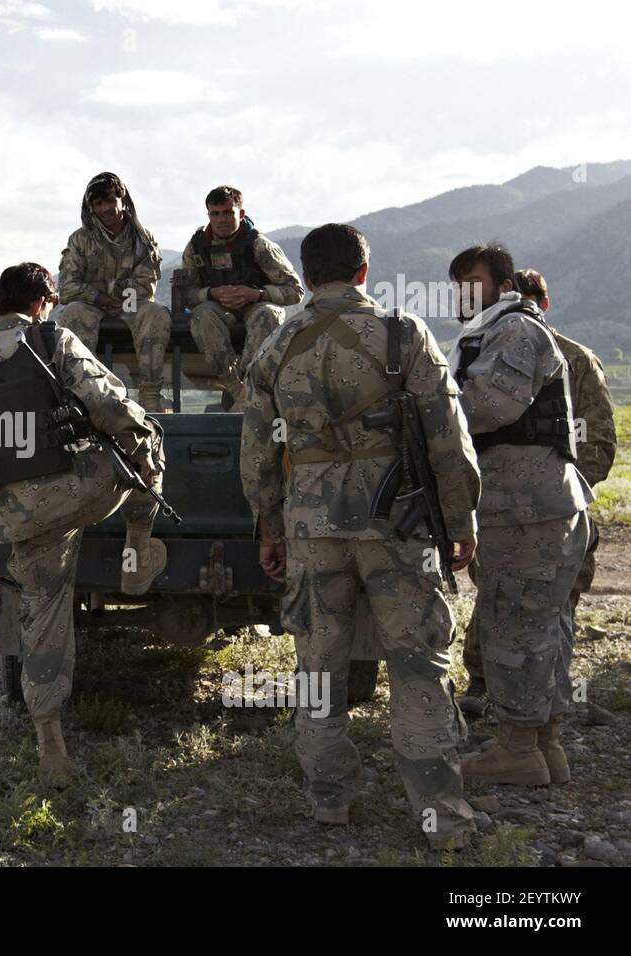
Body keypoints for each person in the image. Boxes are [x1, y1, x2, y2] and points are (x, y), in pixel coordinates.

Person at [241, 223, 479, 849]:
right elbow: (448, 441)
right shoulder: (404, 334)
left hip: (311, 526)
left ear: (309, 275)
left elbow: (257, 450)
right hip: (395, 519)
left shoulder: (276, 346)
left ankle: (329, 801)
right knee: (418, 664)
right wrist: (460, 522)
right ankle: (442, 820)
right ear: (364, 272)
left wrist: (268, 526)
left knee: (318, 665)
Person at [0, 262, 167, 786]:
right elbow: (113, 406)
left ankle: (51, 742)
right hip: (78, 489)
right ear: (43, 302)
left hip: (17, 512)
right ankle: (138, 552)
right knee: (151, 440)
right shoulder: (52, 340)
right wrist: (136, 452)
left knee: (44, 621)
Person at [448, 244, 593, 787]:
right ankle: (544, 745)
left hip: (526, 509)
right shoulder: (496, 330)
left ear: (504, 283)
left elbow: (487, 407)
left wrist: (424, 404)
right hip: (535, 506)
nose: (464, 291)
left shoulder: (515, 329)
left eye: (474, 280)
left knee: (512, 628)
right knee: (542, 630)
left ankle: (516, 751)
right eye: (456, 281)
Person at [458, 268, 616, 724]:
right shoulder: (479, 350)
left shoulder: (576, 360)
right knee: (496, 596)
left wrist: (555, 497)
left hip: (554, 508)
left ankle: (548, 709)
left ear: (542, 305)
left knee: (551, 609)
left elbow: (597, 442)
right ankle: (485, 686)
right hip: (496, 506)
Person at [173, 185, 304, 409]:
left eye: (228, 213)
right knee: (201, 315)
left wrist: (257, 294)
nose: (221, 219)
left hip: (256, 308)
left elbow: (295, 291)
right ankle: (237, 390)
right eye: (215, 214)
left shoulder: (260, 246)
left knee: (268, 313)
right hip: (217, 310)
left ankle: (250, 382)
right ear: (208, 215)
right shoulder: (197, 247)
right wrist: (211, 293)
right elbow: (184, 295)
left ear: (241, 213)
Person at [56, 172, 172, 412]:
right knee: (72, 313)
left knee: (155, 313)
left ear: (122, 199)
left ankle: (150, 393)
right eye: (98, 204)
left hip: (130, 305)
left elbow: (146, 285)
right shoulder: (80, 240)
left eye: (110, 200)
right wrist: (98, 297)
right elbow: (66, 288)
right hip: (91, 306)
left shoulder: (142, 238)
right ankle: (84, 392)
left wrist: (107, 290)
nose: (105, 208)